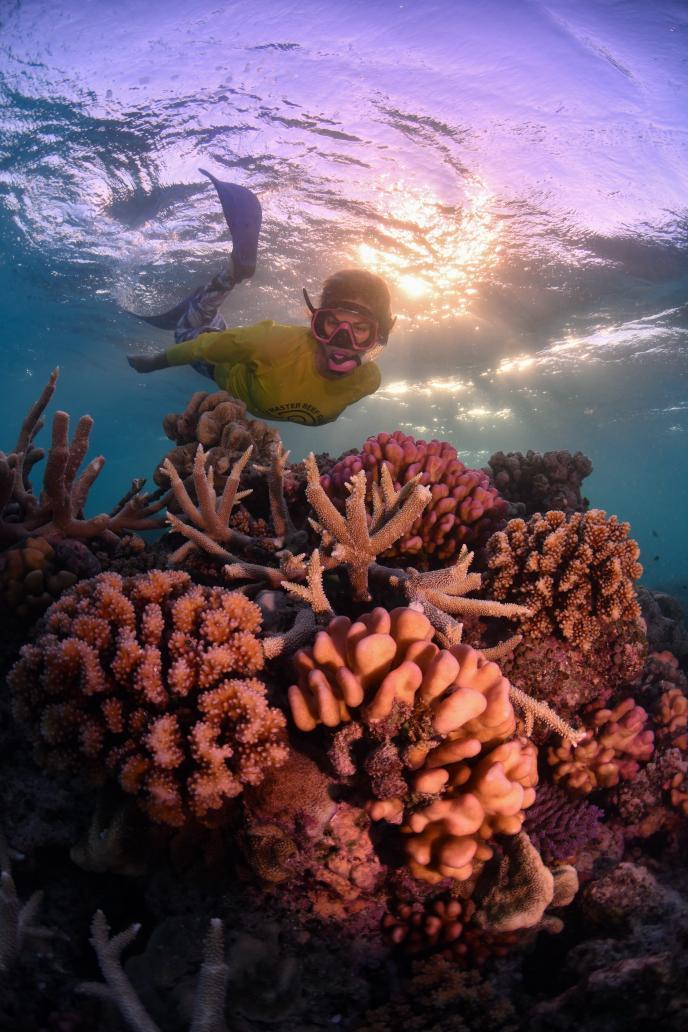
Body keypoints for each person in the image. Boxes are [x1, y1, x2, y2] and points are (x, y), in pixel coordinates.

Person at [127, 171, 394, 426]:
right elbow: (201, 348)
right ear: (315, 322)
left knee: (213, 323)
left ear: (378, 336)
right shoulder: (275, 342)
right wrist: (153, 363)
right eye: (332, 323)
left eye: (359, 329)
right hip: (214, 362)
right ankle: (231, 274)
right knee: (188, 331)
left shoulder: (368, 381)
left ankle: (205, 307)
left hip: (240, 355)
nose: (342, 339)